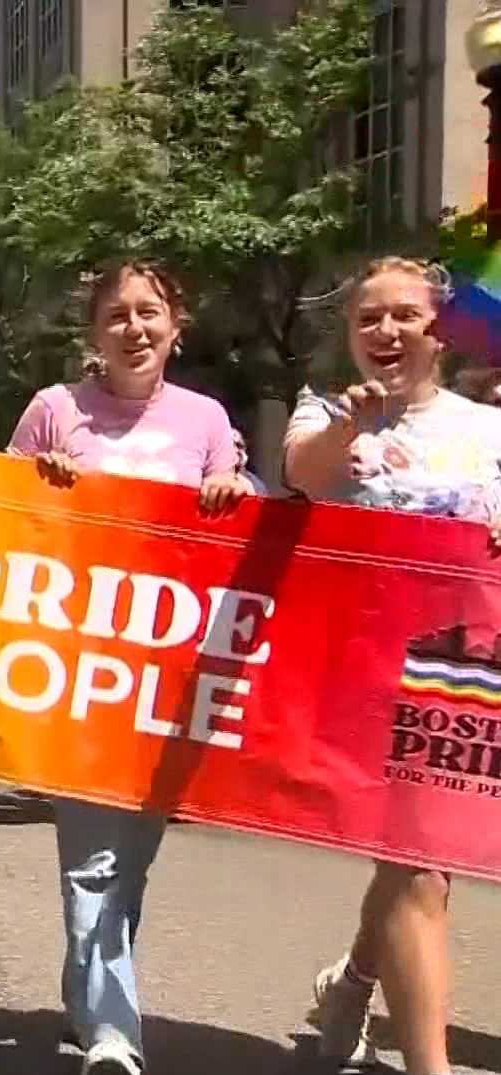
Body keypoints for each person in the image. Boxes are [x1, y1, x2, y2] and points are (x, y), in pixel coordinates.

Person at [7, 259, 251, 1075]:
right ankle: (115, 1033)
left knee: (132, 860)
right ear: (93, 334)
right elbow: (0, 516)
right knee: (93, 859)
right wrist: (41, 486)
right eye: (117, 315)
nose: (135, 328)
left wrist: (232, 483)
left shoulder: (208, 418)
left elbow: (237, 518)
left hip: (168, 680)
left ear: (177, 326)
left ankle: (90, 986)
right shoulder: (53, 411)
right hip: (77, 669)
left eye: (150, 312)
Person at [289, 257, 501, 1075]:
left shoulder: (486, 429)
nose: (386, 332)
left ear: (438, 329)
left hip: (464, 673)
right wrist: (352, 427)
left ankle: (353, 981)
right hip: (363, 673)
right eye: (368, 318)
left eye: (405, 315)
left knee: (419, 863)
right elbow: (302, 477)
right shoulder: (325, 415)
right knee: (420, 866)